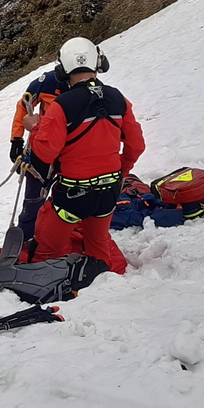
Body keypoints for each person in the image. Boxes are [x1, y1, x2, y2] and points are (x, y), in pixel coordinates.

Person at [30, 38, 143, 274]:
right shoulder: (118, 99)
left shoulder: (61, 105)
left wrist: (35, 128)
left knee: (46, 251)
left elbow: (45, 152)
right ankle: (103, 286)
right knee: (98, 244)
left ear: (62, 70)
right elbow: (136, 144)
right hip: (109, 192)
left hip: (72, 195)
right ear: (98, 63)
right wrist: (122, 171)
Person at [9, 62, 67, 252]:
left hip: (69, 153)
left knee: (66, 203)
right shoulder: (47, 82)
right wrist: (16, 140)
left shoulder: (86, 86)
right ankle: (25, 244)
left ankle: (54, 242)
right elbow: (24, 105)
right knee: (33, 202)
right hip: (41, 149)